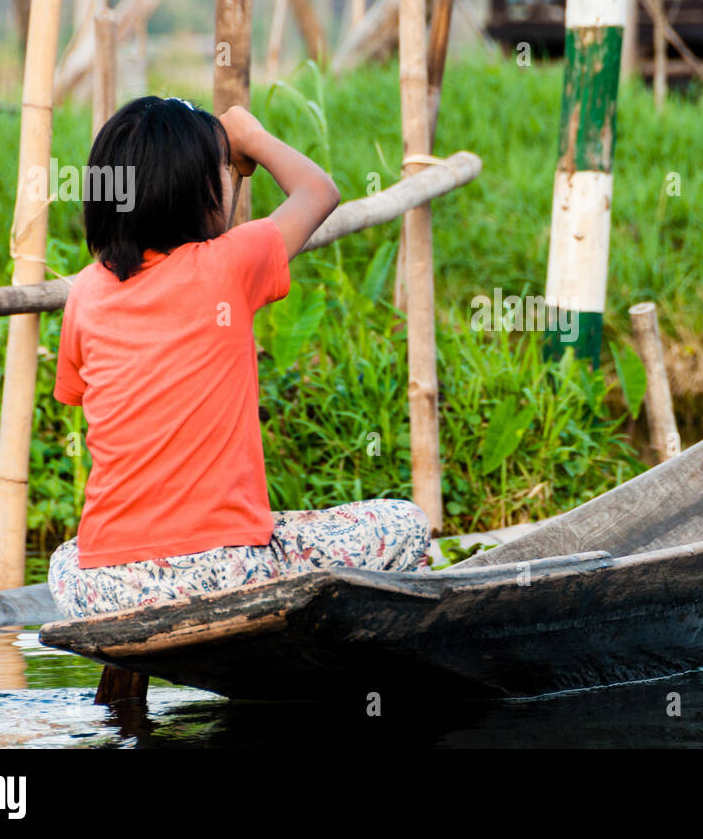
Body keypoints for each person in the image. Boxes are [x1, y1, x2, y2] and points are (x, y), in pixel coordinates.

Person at [47, 96, 430, 619]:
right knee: (404, 522)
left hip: (104, 589)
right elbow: (320, 190)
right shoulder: (231, 263)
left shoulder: (86, 293)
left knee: (66, 556)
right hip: (225, 574)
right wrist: (249, 138)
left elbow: (77, 392)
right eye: (218, 173)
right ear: (199, 194)